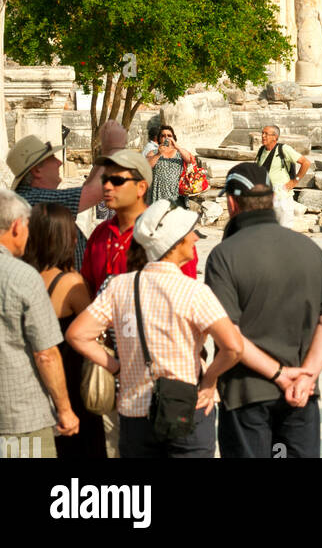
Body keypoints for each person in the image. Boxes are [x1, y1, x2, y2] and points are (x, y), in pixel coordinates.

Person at [67, 199, 245, 459]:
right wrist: (209, 381)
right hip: (187, 405)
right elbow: (234, 347)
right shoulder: (193, 291)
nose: (195, 238)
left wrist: (117, 366)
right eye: (189, 233)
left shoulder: (119, 286)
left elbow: (77, 334)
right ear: (176, 243)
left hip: (134, 409)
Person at [204, 163, 322, 459]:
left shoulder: (225, 255)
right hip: (302, 395)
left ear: (231, 202)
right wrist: (307, 376)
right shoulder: (310, 249)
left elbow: (228, 334)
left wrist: (280, 375)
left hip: (247, 393)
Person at [23, 202, 107, 459]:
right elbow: (95, 328)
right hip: (71, 382)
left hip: (35, 385)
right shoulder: (70, 283)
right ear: (66, 238)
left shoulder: (24, 277)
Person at [0, 189, 79, 458]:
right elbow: (45, 354)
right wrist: (65, 409)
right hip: (20, 416)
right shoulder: (22, 276)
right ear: (16, 226)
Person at [8, 121, 127, 268]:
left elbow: (88, 188)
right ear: (37, 171)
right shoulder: (35, 200)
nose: (59, 163)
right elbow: (98, 191)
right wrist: (116, 148)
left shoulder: (31, 197)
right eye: (52, 159)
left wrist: (107, 152)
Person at [81, 147, 197, 291]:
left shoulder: (169, 233)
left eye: (117, 180)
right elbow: (88, 287)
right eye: (104, 179)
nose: (107, 186)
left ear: (141, 188)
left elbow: (186, 295)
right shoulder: (100, 233)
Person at [255, 126, 311, 227]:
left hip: (282, 197)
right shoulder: (261, 151)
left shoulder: (284, 149)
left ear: (275, 137)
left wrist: (295, 181)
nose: (263, 136)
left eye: (266, 134)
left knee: (285, 230)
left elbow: (306, 163)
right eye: (262, 133)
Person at [148, 125, 193, 205]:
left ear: (174, 138)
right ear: (159, 138)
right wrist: (159, 154)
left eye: (169, 135)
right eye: (163, 136)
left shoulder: (179, 152)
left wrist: (176, 146)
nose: (166, 138)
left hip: (177, 196)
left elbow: (190, 159)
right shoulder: (153, 153)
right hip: (159, 197)